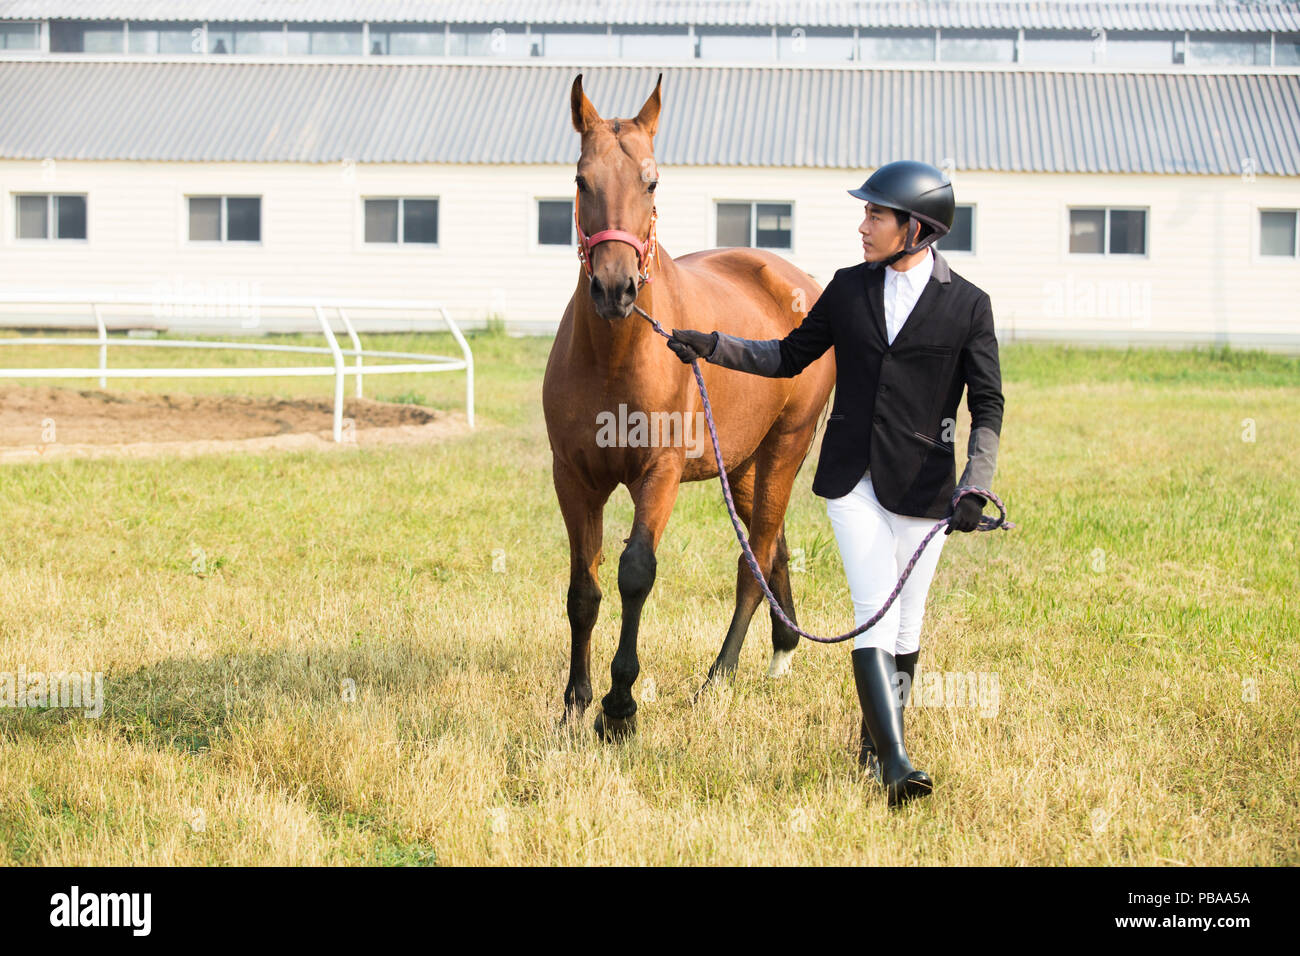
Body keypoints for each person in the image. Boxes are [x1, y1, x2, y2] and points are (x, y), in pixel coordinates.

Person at [667, 160, 1004, 807]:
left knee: (906, 629)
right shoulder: (848, 290)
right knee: (871, 611)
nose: (863, 225)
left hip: (929, 488)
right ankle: (899, 764)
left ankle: (874, 746)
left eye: (876, 215)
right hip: (853, 480)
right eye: (866, 213)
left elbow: (987, 406)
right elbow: (787, 356)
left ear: (916, 228)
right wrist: (709, 344)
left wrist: (975, 483)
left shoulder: (969, 306)